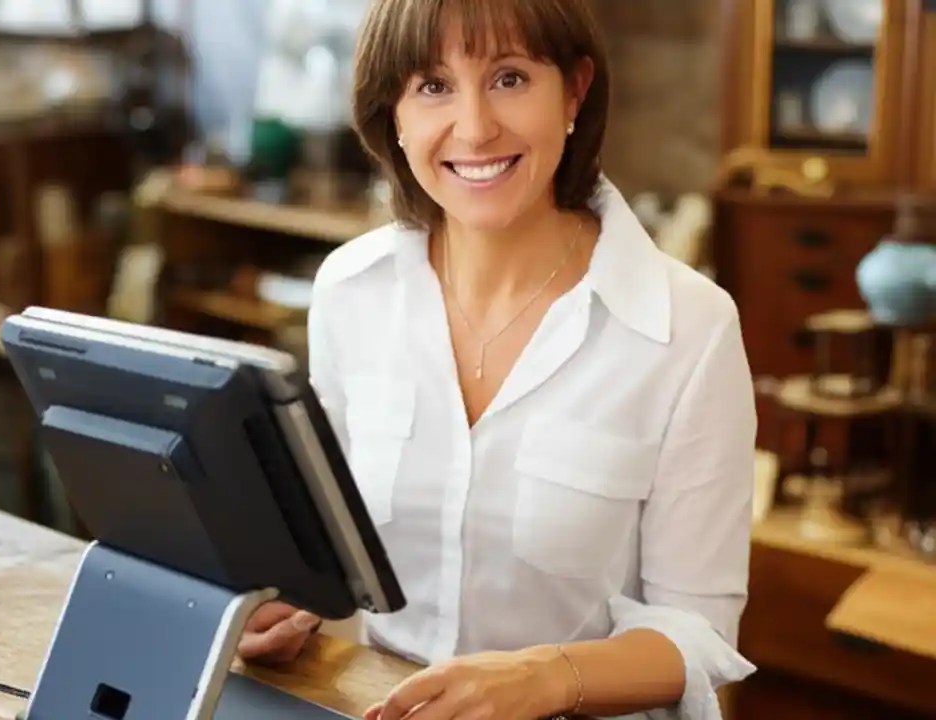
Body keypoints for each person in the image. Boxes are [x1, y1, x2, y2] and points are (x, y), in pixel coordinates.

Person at [238, 0, 758, 719]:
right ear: (394, 111)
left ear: (573, 92)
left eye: (510, 78)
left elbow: (699, 635)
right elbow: (332, 545)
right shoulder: (351, 292)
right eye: (432, 86)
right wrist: (288, 606)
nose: (476, 127)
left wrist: (548, 678)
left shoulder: (690, 329)